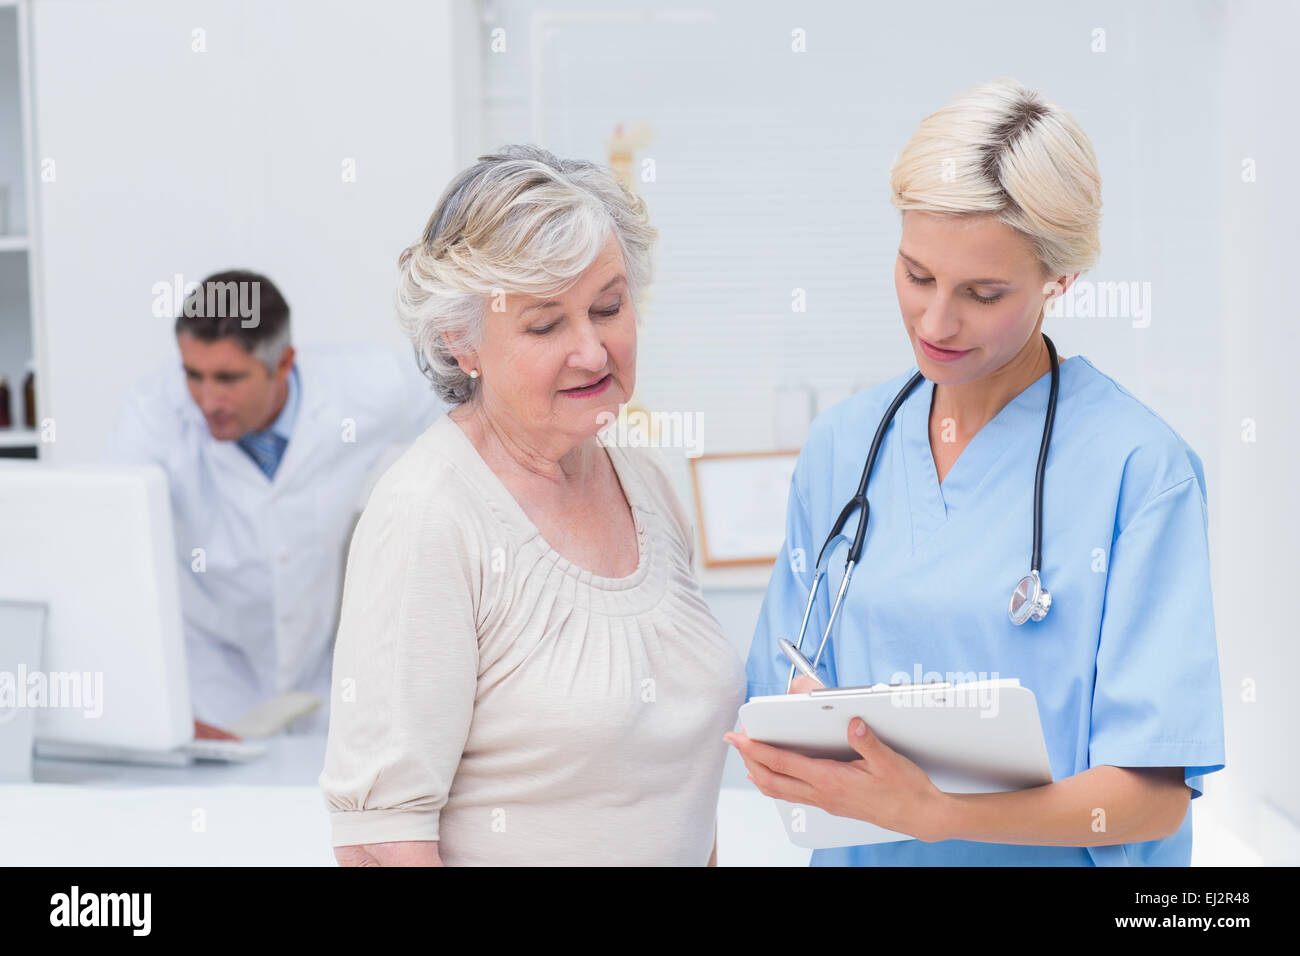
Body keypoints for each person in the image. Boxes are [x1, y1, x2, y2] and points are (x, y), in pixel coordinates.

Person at [730, 78, 1226, 866]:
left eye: (983, 293)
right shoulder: (844, 448)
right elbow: (773, 712)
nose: (935, 323)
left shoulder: (1139, 469)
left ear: (1057, 281)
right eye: (916, 275)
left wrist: (940, 813)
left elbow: (1154, 797)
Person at [318, 145, 746, 866]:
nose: (592, 350)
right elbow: (382, 844)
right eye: (546, 325)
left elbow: (672, 803)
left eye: (608, 307)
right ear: (462, 341)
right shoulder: (429, 513)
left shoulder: (646, 482)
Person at [105, 270, 444, 738]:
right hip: (208, 685)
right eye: (192, 374)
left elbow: (469, 395)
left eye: (227, 378)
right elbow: (114, 556)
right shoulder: (152, 417)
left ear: (283, 364)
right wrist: (162, 710)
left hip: (321, 687)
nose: (206, 399)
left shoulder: (360, 388)